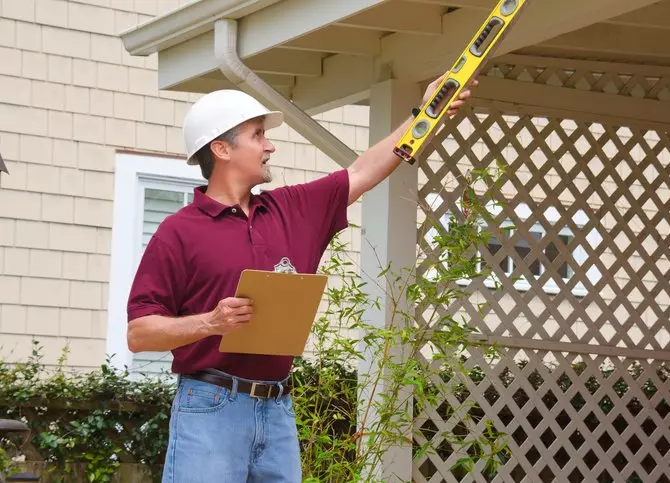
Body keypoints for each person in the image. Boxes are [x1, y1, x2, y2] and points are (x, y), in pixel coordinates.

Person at [125, 72, 476, 482]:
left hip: (277, 408)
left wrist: (426, 113)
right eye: (258, 135)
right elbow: (140, 333)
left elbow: (364, 171)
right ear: (221, 148)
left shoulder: (293, 209)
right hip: (209, 406)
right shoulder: (179, 231)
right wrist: (211, 322)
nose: (270, 145)